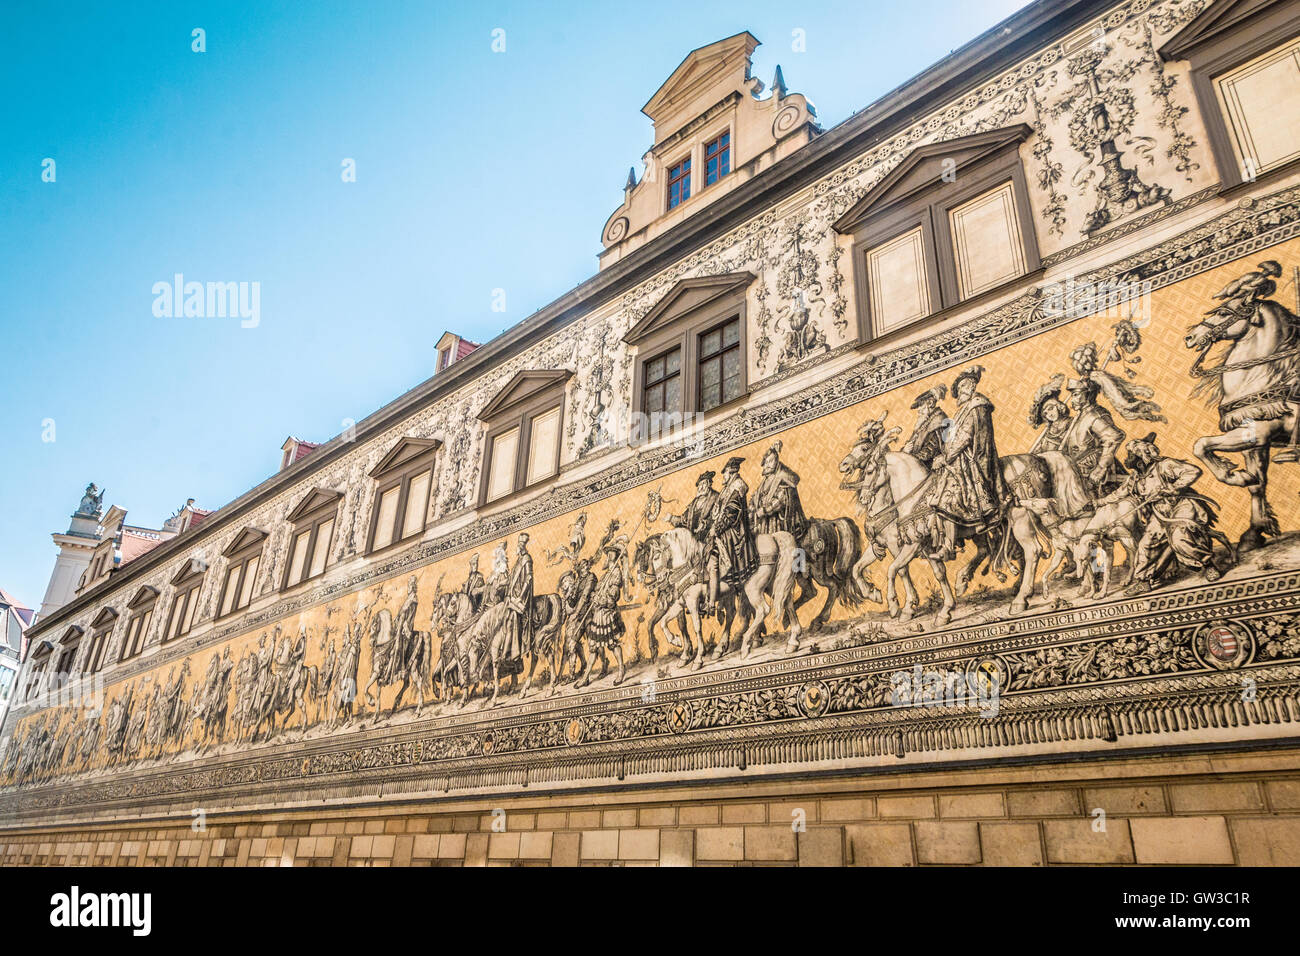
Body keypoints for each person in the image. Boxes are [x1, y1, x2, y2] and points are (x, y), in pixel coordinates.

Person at [1109, 433, 1222, 593]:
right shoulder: (1135, 478)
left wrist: (1172, 488)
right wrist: (1098, 503)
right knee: (1145, 544)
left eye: (1131, 455)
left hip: (1181, 506)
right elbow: (1119, 493)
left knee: (1180, 537)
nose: (1127, 458)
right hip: (1160, 513)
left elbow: (1193, 471)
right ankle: (1144, 581)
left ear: (1141, 457)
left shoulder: (1164, 465)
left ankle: (1208, 565)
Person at [929, 366, 1007, 561]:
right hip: (957, 458)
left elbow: (966, 437)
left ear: (972, 386)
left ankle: (949, 547)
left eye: (967, 385)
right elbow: (950, 439)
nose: (964, 389)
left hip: (970, 460)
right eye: (962, 386)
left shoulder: (977, 405)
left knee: (946, 498)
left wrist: (946, 458)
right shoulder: (961, 410)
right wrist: (941, 453)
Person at [706, 457, 758, 614]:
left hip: (732, 533)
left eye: (725, 474)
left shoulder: (737, 487)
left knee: (712, 563)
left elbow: (730, 514)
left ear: (732, 472)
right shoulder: (727, 488)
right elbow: (718, 511)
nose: (724, 477)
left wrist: (717, 529)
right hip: (723, 529)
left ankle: (711, 603)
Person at [1060, 377, 1126, 497]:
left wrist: (1101, 468)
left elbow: (1114, 437)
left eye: (1076, 394)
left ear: (1088, 394)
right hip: (1079, 477)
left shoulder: (1094, 415)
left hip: (1098, 479)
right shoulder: (1080, 417)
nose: (1072, 399)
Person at [750, 440, 808, 540]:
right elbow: (754, 497)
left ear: (776, 462)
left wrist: (763, 510)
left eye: (771, 461)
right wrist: (751, 510)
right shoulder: (765, 481)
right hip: (764, 522)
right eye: (766, 462)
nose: (767, 465)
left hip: (778, 521)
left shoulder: (783, 478)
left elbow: (780, 500)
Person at [504, 533, 535, 659]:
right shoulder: (518, 561)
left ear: (522, 546)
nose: (518, 546)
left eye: (520, 544)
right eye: (518, 543)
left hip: (522, 598)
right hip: (513, 597)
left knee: (513, 618)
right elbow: (511, 580)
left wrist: (520, 597)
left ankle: (513, 651)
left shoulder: (527, 559)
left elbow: (528, 578)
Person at [902, 385, 948, 467]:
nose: (920, 414)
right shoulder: (924, 422)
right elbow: (910, 444)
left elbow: (930, 450)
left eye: (922, 410)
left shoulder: (939, 421)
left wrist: (909, 457)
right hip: (916, 464)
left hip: (932, 468)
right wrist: (904, 451)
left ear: (930, 403)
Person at [668, 471, 719, 541]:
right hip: (693, 539)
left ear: (709, 484)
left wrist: (705, 524)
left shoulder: (715, 497)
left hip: (708, 537)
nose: (701, 487)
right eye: (699, 485)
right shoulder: (694, 502)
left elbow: (717, 516)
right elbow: (684, 519)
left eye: (704, 483)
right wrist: (672, 518)